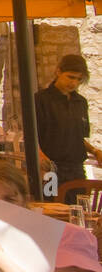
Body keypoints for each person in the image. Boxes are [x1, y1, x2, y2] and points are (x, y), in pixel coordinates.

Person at [35, 53, 98, 188]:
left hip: (76, 169)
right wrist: (39, 155)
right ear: (59, 72)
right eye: (70, 77)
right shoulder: (41, 100)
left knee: (79, 206)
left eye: (78, 79)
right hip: (51, 168)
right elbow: (32, 134)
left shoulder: (80, 102)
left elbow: (78, 137)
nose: (73, 83)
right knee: (52, 206)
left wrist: (94, 150)